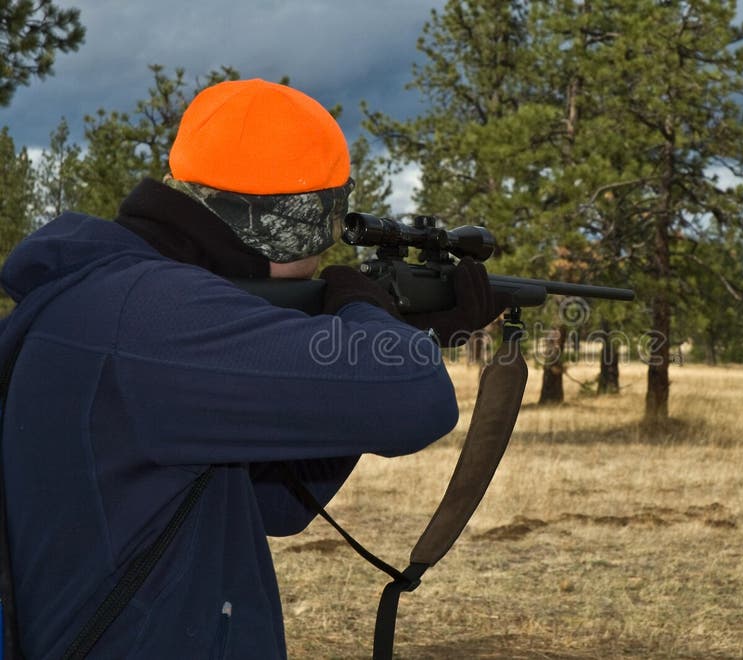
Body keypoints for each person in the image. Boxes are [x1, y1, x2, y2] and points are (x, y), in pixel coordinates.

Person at [0, 79, 500, 658]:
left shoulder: (111, 297)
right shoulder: (156, 317)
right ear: (286, 229)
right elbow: (418, 400)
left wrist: (395, 331)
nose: (322, 260)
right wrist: (367, 314)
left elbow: (277, 503)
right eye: (321, 239)